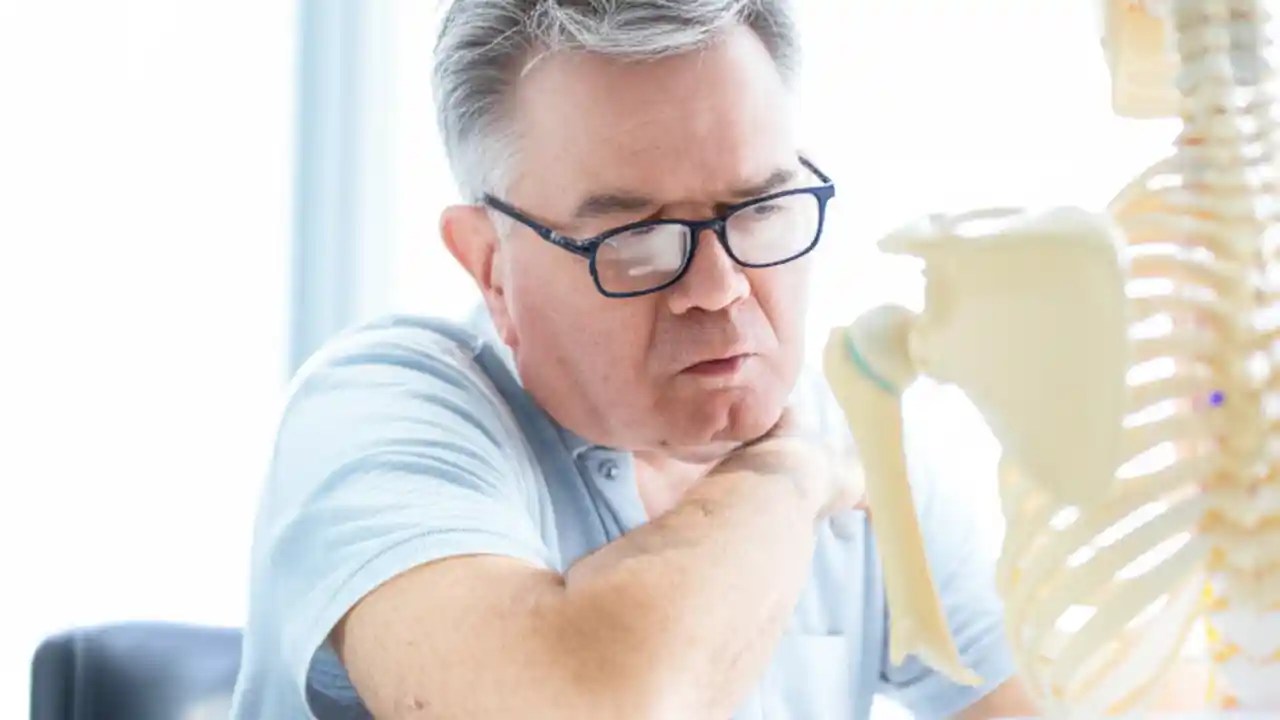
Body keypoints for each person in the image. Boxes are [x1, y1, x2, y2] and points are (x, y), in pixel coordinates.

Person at [230, 1, 1037, 717]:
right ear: (491, 266)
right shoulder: (383, 415)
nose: (719, 289)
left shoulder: (855, 440)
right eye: (638, 240)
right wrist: (784, 478)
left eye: (758, 209)